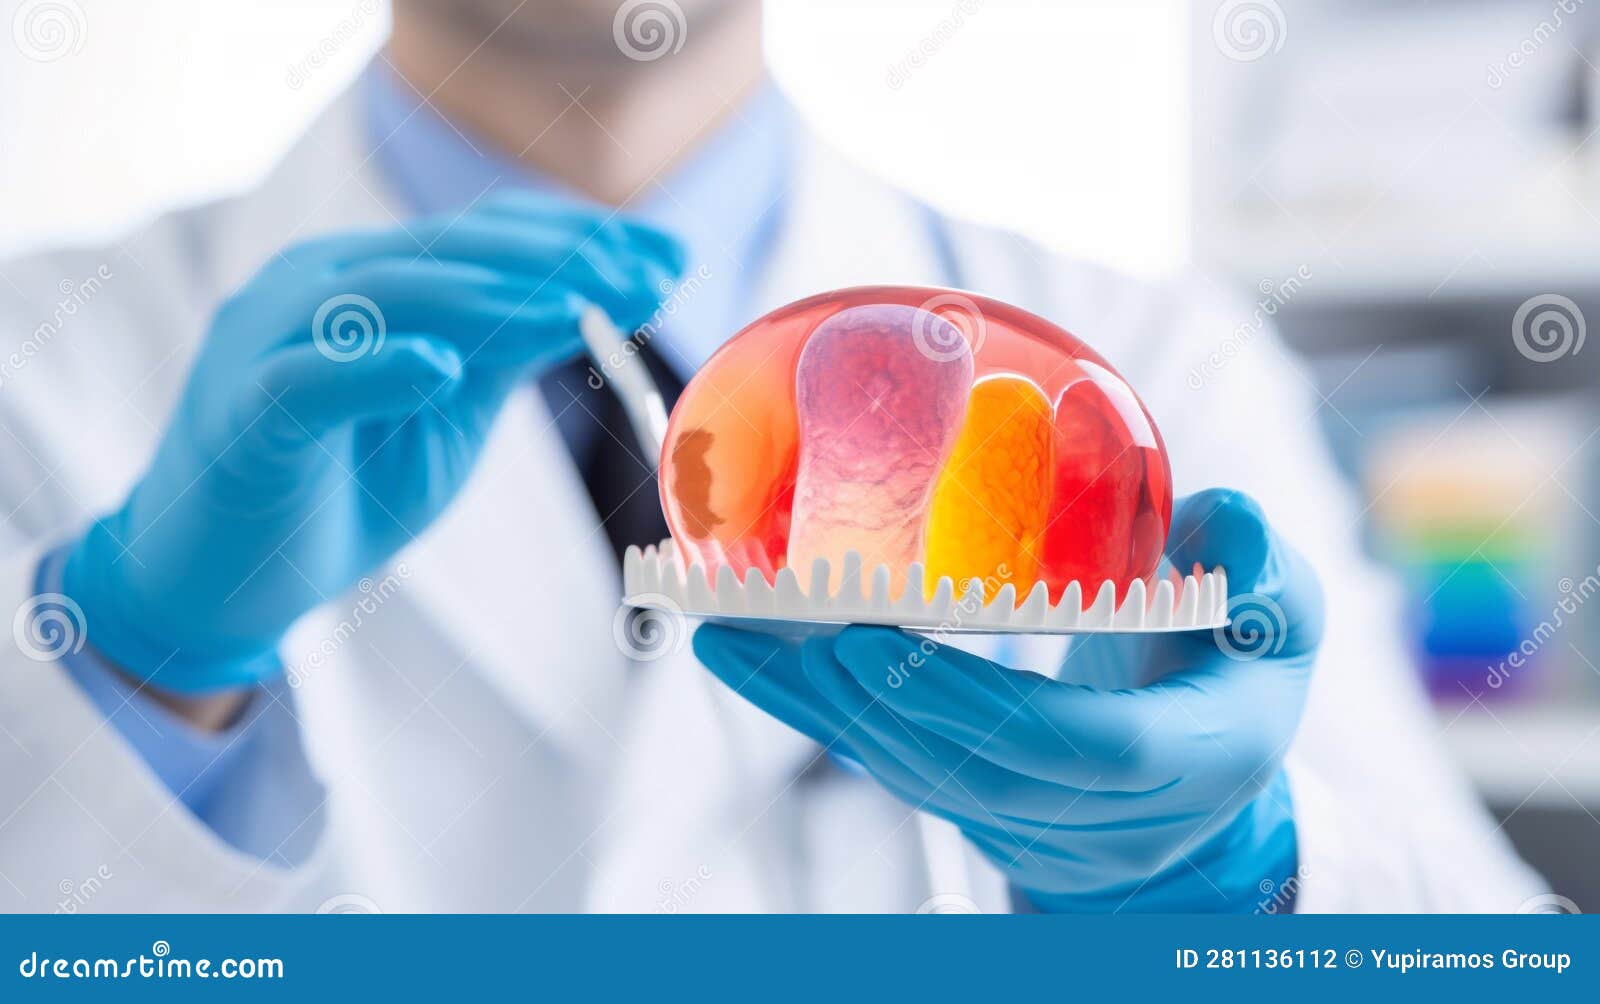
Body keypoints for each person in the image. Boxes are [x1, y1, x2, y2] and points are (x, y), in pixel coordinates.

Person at [0, 0, 1542, 913]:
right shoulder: (41, 361)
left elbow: (1481, 953)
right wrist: (130, 668)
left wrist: (1236, 894)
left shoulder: (1154, 354)